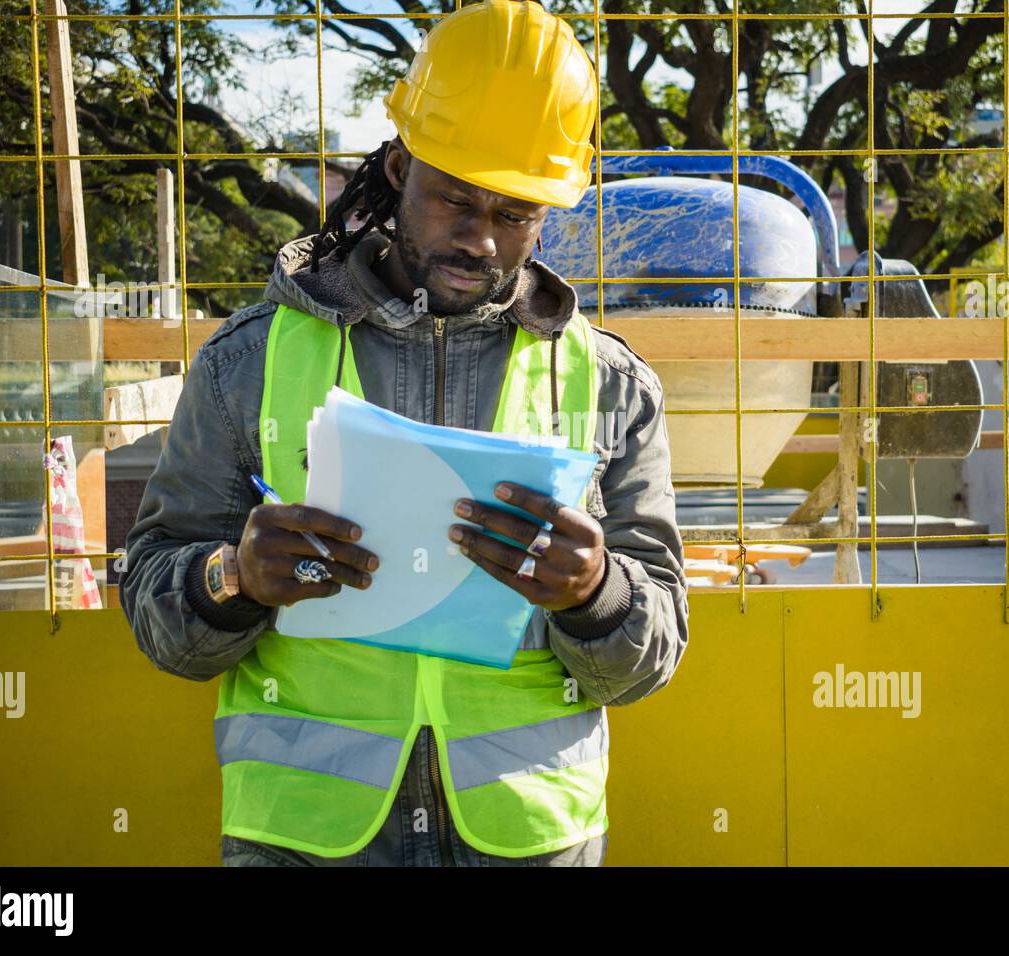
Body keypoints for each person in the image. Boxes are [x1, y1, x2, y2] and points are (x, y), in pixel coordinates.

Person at [119, 0, 688, 867]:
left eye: (515, 213)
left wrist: (597, 590)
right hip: (304, 837)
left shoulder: (608, 385)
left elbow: (653, 648)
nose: (480, 239)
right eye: (454, 199)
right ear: (397, 168)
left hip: (527, 835)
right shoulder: (248, 364)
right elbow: (158, 607)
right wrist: (233, 577)